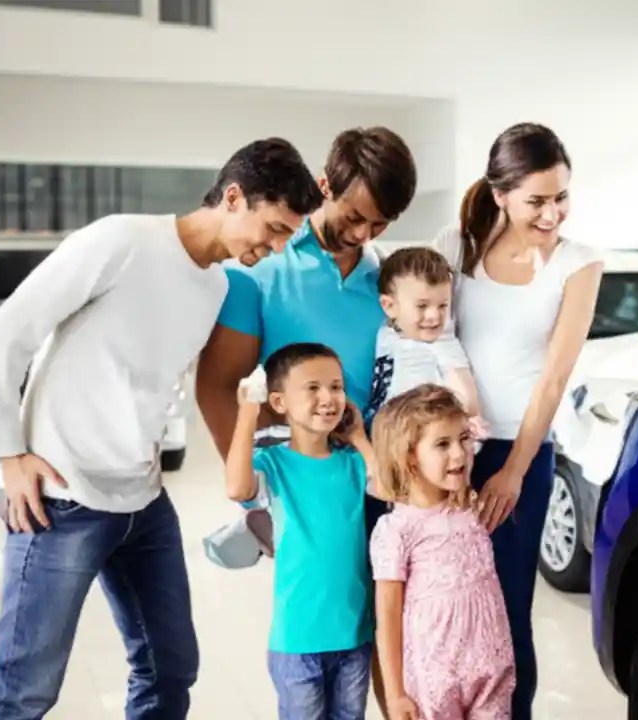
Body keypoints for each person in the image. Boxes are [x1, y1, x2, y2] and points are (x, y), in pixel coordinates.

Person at [0, 137, 323, 720]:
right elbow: (4, 335)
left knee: (171, 669)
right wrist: (8, 457)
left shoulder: (215, 286)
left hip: (142, 501)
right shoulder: (122, 240)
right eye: (275, 227)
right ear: (233, 196)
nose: (277, 245)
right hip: (60, 498)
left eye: (289, 235)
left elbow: (152, 378)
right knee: (26, 688)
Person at [196, 125, 418, 715]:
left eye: (381, 224)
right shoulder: (262, 270)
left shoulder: (386, 283)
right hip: (301, 489)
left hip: (375, 480)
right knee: (319, 643)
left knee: (390, 644)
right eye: (355, 215)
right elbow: (218, 385)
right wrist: (252, 503)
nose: (365, 234)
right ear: (325, 186)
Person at [433, 122, 603, 719]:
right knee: (445, 607)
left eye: (561, 196)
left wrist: (512, 473)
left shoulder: (578, 264)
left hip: (520, 455)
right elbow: (431, 341)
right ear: (499, 192)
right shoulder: (455, 247)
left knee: (506, 612)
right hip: (446, 451)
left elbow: (553, 379)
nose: (552, 213)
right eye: (537, 200)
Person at [225, 343, 377, 720]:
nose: (328, 398)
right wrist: (247, 412)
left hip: (355, 636)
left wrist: (359, 438)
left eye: (336, 387)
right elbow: (238, 489)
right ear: (278, 402)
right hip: (297, 641)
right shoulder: (272, 463)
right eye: (313, 388)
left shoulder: (354, 462)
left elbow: (388, 490)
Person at [369, 385, 515, 720]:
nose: (460, 454)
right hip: (434, 678)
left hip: (491, 669)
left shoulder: (473, 507)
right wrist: (395, 695)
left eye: (464, 438)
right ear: (408, 456)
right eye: (442, 444)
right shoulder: (397, 530)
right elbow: (387, 617)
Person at [368, 246, 487, 436]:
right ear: (389, 306)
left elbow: (465, 393)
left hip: (428, 440)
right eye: (422, 306)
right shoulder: (386, 334)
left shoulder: (442, 343)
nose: (434, 316)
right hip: (390, 440)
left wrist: (467, 418)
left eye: (442, 306)